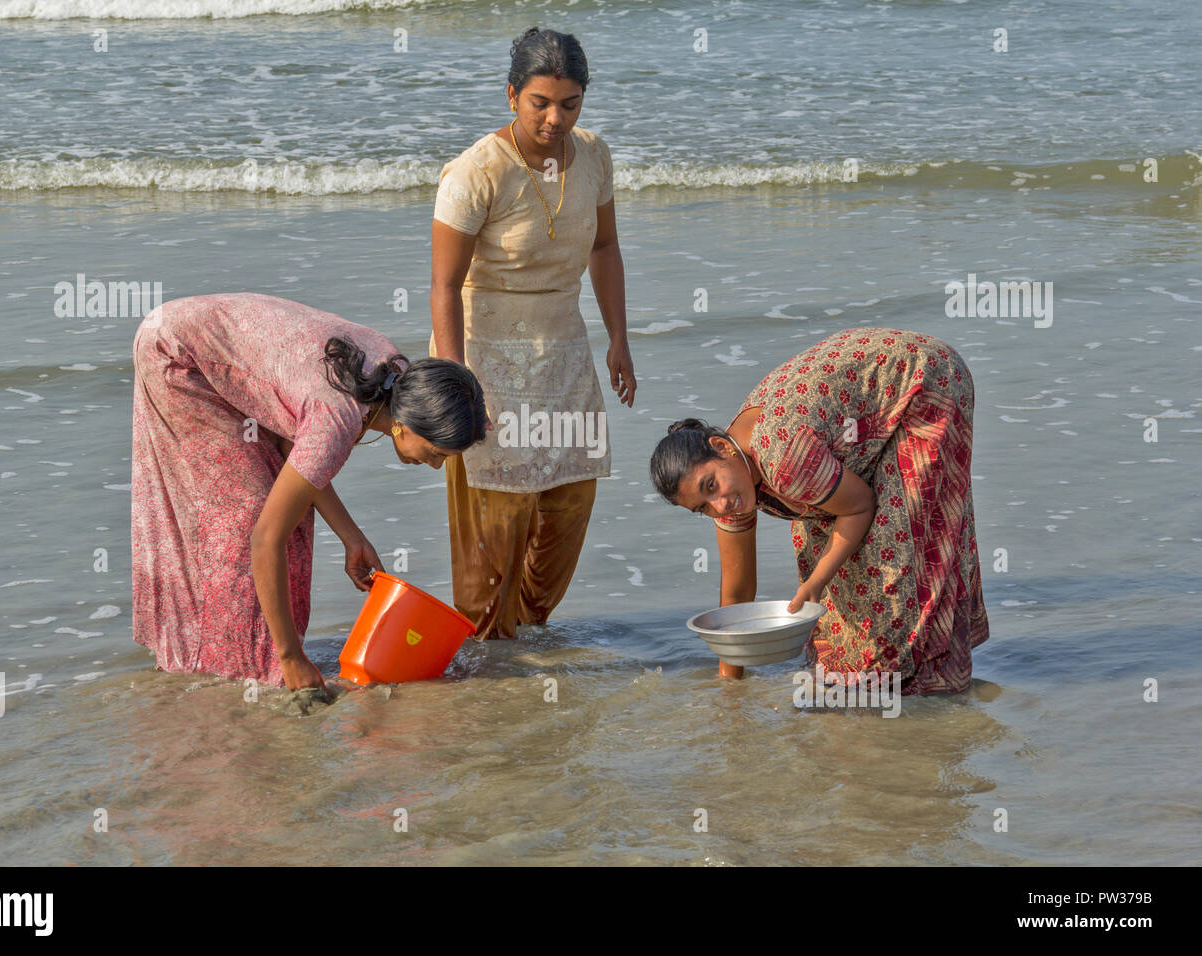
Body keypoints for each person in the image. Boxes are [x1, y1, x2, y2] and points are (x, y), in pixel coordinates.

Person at [130, 292, 487, 691]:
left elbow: (293, 450)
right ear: (406, 425)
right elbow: (265, 538)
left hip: (211, 339)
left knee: (291, 516)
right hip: (178, 356)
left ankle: (254, 660)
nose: (436, 465)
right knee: (247, 519)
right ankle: (248, 667)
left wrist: (352, 537)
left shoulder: (398, 378)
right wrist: (292, 658)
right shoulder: (337, 419)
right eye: (436, 453)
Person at [430, 27, 636, 639]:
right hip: (488, 352)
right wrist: (455, 382)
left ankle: (529, 629)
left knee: (570, 500)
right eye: (539, 103)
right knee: (500, 509)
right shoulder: (476, 172)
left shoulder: (594, 156)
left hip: (564, 349)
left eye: (570, 103)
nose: (555, 118)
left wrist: (618, 339)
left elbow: (604, 247)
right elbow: (444, 286)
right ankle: (488, 646)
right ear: (511, 94)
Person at [650, 328, 989, 694]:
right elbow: (737, 594)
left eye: (710, 487)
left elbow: (859, 506)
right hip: (856, 412)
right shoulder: (731, 477)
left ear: (721, 446)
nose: (719, 506)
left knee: (901, 545)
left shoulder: (780, 455)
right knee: (816, 545)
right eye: (702, 508)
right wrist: (729, 692)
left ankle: (925, 688)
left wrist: (816, 582)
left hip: (924, 380)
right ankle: (852, 679)